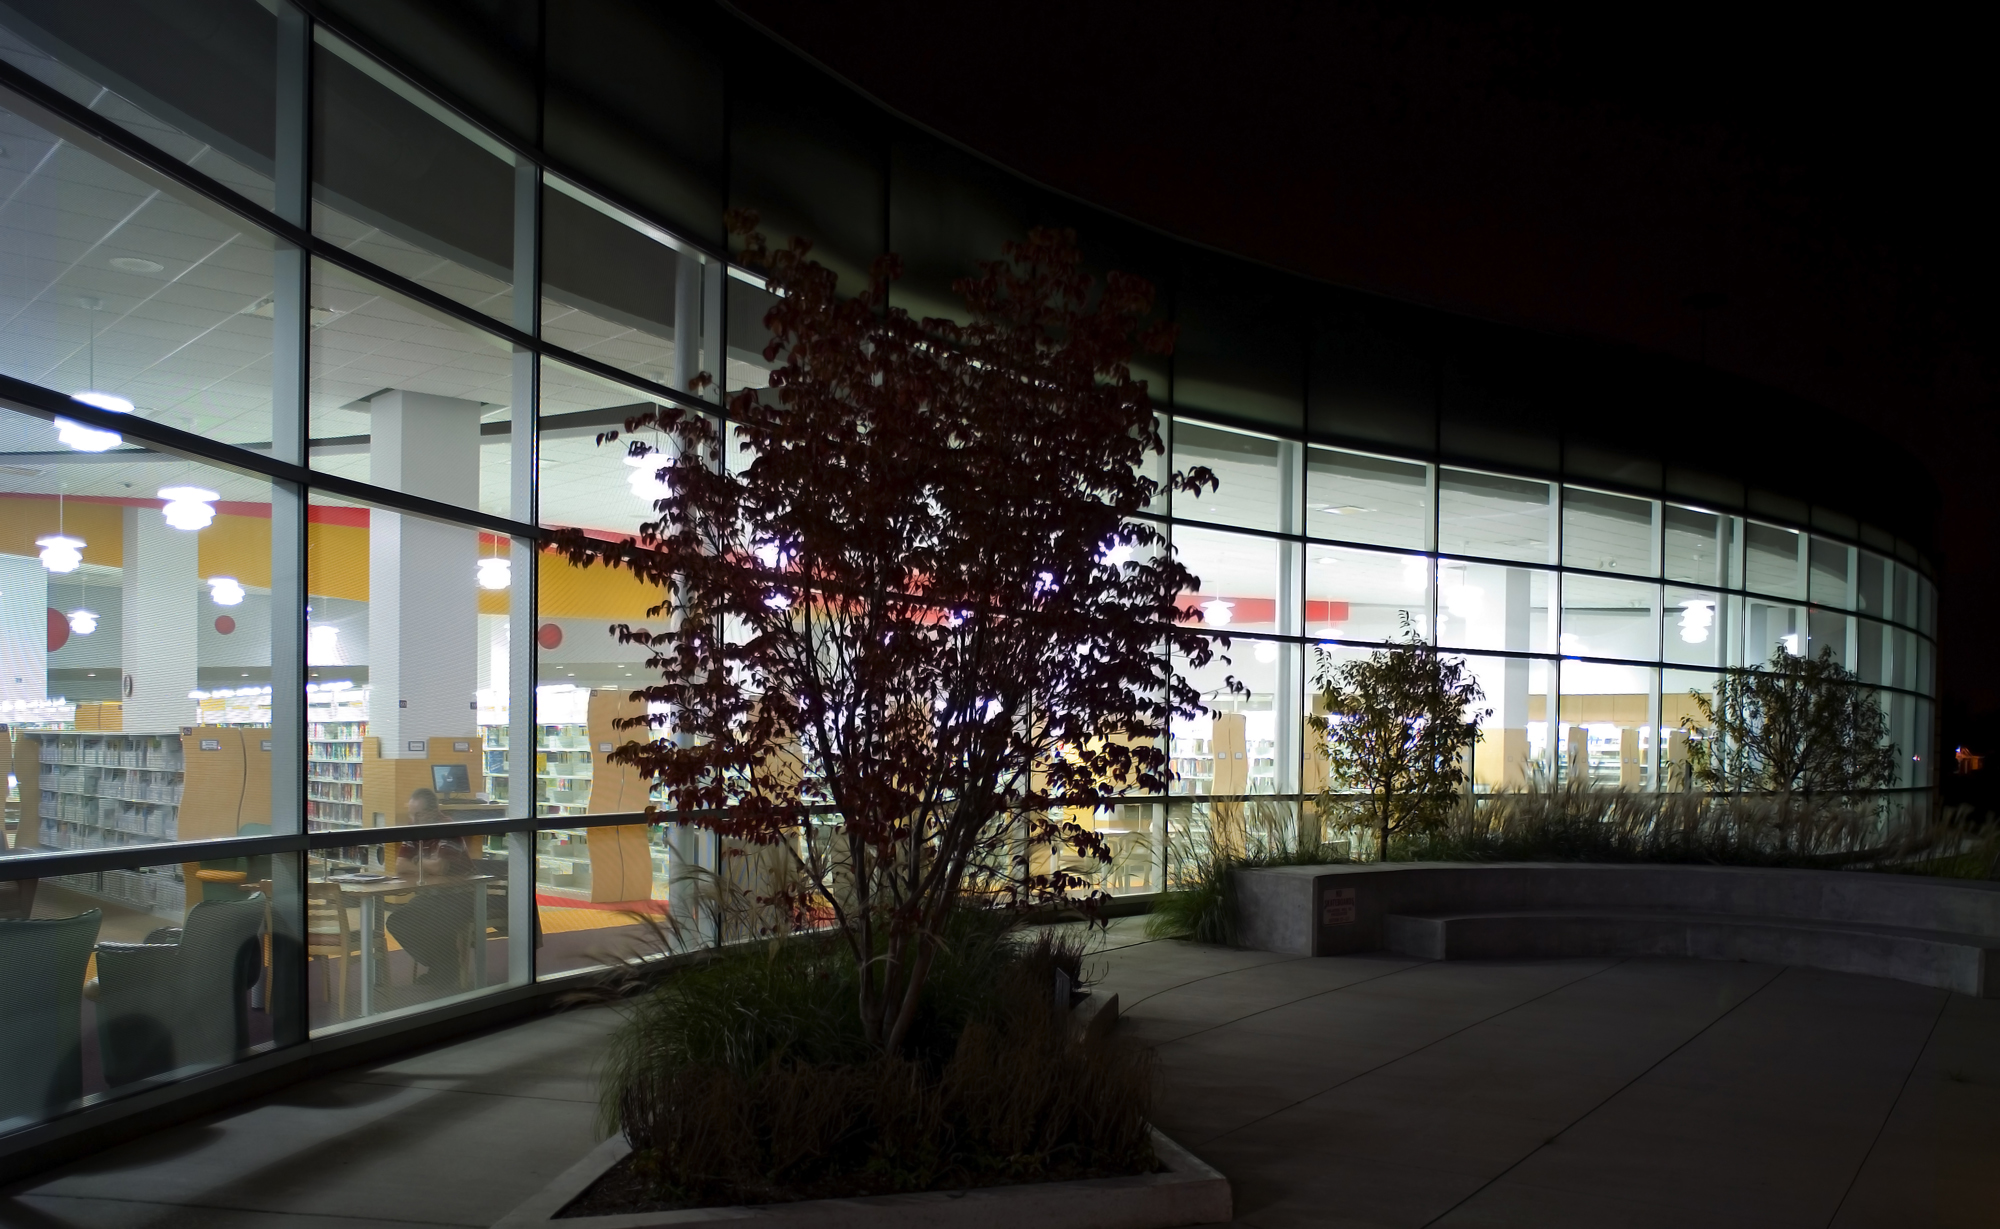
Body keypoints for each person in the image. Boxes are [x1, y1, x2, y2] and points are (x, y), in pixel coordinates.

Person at [385, 788, 476, 987]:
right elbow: (400, 865)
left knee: (435, 919)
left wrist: (416, 861)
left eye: (418, 814)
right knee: (397, 921)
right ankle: (443, 964)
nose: (413, 819)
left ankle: (443, 969)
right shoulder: (415, 828)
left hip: (462, 894)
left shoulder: (447, 828)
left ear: (434, 811)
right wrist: (424, 862)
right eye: (411, 814)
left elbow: (440, 868)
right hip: (433, 895)